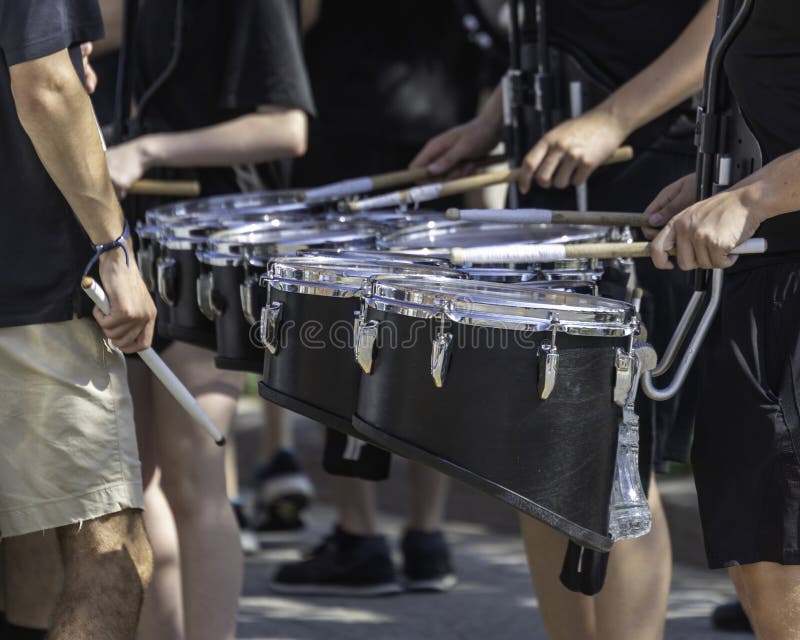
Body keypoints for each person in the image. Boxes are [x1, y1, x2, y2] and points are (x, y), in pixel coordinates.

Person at [412, 1, 717, 637]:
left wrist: (611, 119)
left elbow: (729, 14)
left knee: (618, 461)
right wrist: (490, 123)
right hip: (548, 165)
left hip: (643, 167)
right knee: (537, 447)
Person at [101, 1, 315, 638]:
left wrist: (146, 149)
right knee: (135, 483)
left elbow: (287, 127)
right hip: (138, 246)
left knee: (195, 477)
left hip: (215, 253)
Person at [269, 0, 488, 596]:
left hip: (352, 124)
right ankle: (426, 537)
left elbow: (299, 19)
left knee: (344, 339)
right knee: (430, 338)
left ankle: (359, 534)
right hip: (443, 134)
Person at [0, 1, 156, 638]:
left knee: (29, 539)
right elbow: (45, 85)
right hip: (30, 288)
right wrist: (114, 251)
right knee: (110, 552)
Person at [644, 1, 800, 637]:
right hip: (763, 276)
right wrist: (720, 177)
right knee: (758, 558)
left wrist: (754, 196)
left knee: (779, 565)